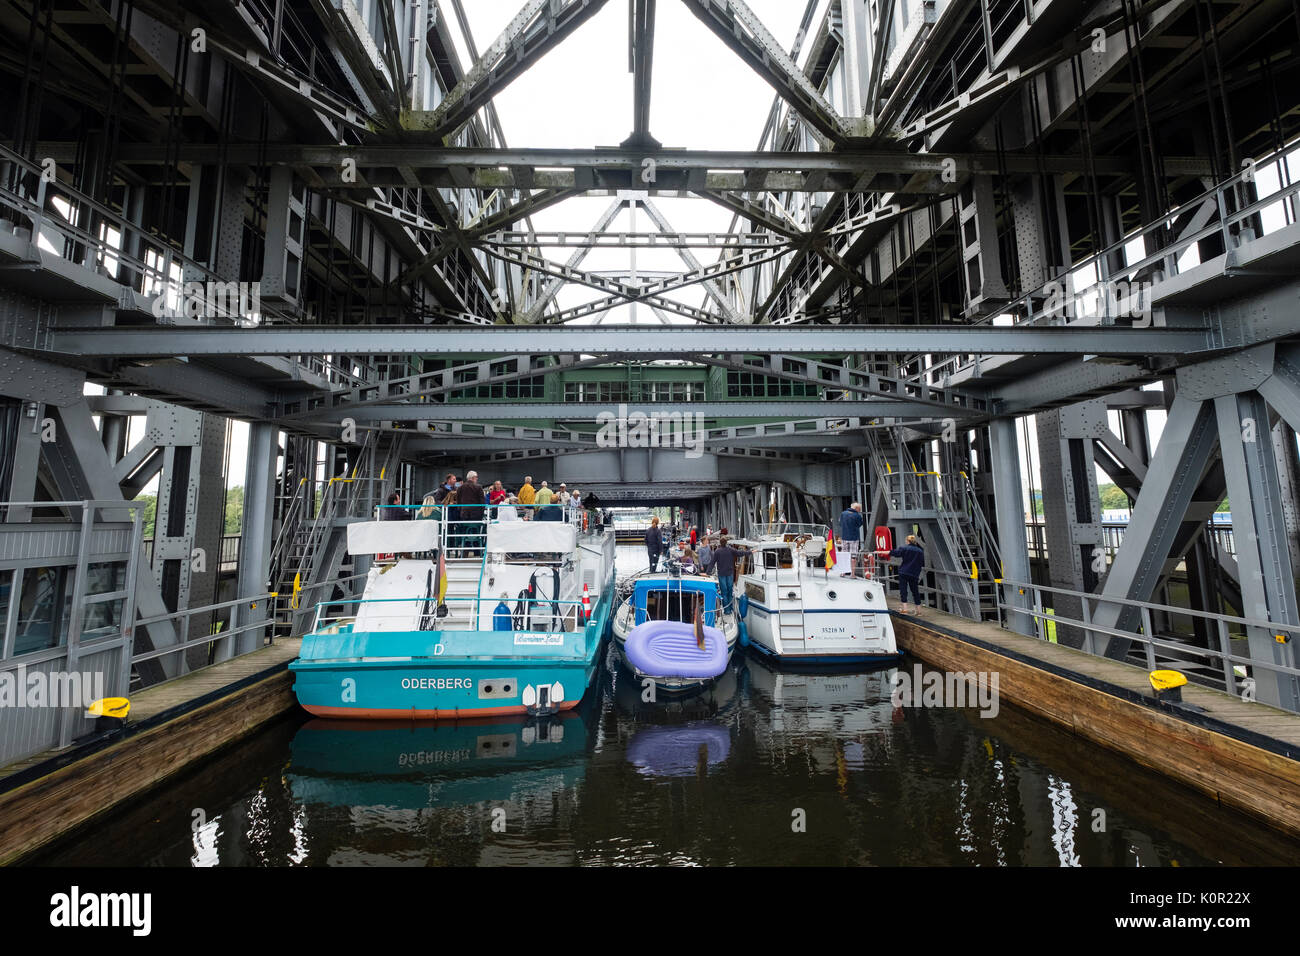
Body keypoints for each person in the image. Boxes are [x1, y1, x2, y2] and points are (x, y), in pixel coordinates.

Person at [890, 534, 925, 614]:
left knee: (903, 591)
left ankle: (905, 609)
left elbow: (896, 553)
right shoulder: (920, 551)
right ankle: (919, 611)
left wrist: (887, 552)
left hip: (904, 572)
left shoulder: (904, 548)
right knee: (915, 592)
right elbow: (921, 562)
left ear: (908, 541)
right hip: (914, 573)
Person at [457, 471, 486, 555]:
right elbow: (482, 502)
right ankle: (477, 552)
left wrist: (461, 510)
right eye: (476, 477)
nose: (477, 479)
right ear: (473, 478)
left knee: (464, 533)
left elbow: (458, 502)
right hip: (476, 514)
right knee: (476, 532)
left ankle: (465, 552)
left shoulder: (460, 488)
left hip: (464, 514)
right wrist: (481, 512)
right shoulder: (478, 487)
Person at [712, 535, 738, 615]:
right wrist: (750, 552)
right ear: (726, 543)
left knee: (724, 592)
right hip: (730, 573)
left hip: (722, 574)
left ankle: (726, 610)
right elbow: (740, 553)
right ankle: (730, 608)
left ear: (720, 543)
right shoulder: (730, 550)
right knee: (730, 591)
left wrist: (707, 572)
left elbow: (712, 562)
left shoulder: (717, 551)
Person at [840, 501, 864, 576]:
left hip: (844, 537)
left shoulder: (843, 514)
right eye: (859, 509)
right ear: (856, 508)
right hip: (854, 538)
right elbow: (860, 524)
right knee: (853, 557)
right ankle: (852, 574)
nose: (860, 511)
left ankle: (843, 572)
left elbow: (840, 523)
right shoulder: (857, 516)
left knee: (844, 555)